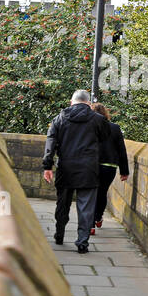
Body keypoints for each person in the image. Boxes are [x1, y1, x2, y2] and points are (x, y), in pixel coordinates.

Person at [42, 90, 112, 253]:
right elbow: (105, 137)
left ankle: (59, 234)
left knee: (63, 203)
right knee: (86, 207)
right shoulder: (98, 120)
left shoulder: (59, 119)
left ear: (71, 102)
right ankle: (82, 242)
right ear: (88, 103)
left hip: (66, 167)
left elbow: (50, 142)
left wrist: (47, 166)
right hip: (89, 168)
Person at [90, 102, 130, 232]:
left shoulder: (90, 127)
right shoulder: (115, 128)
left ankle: (90, 224)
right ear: (106, 114)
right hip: (109, 166)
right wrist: (124, 171)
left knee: (91, 192)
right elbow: (121, 150)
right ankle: (98, 217)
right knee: (102, 192)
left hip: (93, 165)